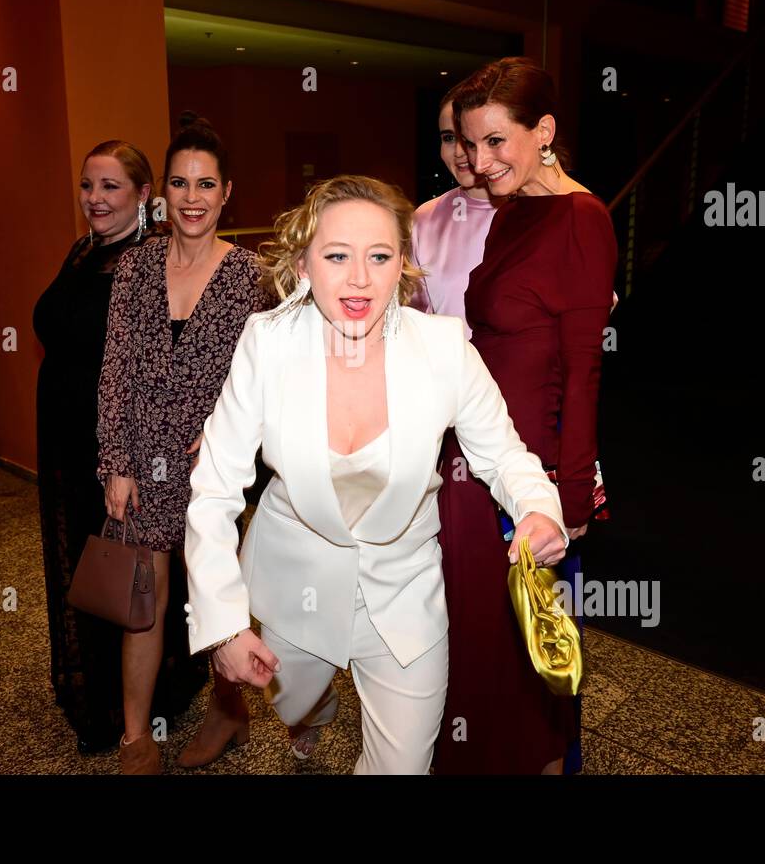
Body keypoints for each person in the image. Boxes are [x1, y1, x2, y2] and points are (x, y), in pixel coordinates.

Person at [182, 174, 568, 775]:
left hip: (404, 595)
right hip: (297, 587)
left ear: (403, 267)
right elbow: (213, 489)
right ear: (304, 263)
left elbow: (504, 454)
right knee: (294, 704)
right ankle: (317, 706)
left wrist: (538, 507)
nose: (359, 278)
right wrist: (224, 624)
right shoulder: (268, 343)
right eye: (337, 256)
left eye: (379, 256)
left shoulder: (444, 347)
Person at [433, 57, 617, 775]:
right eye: (470, 145)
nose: (478, 163)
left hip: (528, 473)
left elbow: (584, 373)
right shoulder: (513, 212)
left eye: (495, 143)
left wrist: (568, 500)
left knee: (522, 642)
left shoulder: (583, 217)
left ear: (543, 132)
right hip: (473, 455)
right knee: (474, 635)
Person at [97, 113, 273, 774]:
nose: (192, 197)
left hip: (215, 467)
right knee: (142, 600)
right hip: (140, 464)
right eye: (179, 183)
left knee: (217, 595)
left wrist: (230, 433)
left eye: (206, 184)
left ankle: (229, 714)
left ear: (228, 193)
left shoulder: (252, 276)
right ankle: (135, 735)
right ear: (162, 193)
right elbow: (112, 370)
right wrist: (114, 463)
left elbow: (265, 379)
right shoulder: (135, 268)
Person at [34, 140, 205, 754]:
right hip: (63, 431)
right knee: (87, 560)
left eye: (110, 187)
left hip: (120, 442)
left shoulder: (153, 262)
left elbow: (166, 367)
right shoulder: (85, 251)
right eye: (87, 186)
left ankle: (136, 699)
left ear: (143, 195)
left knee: (132, 572)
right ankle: (98, 686)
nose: (94, 199)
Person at [409, 94, 502, 333]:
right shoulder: (426, 217)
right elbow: (411, 313)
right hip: (442, 367)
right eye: (449, 138)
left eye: (469, 139)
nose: (460, 151)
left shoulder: (536, 212)